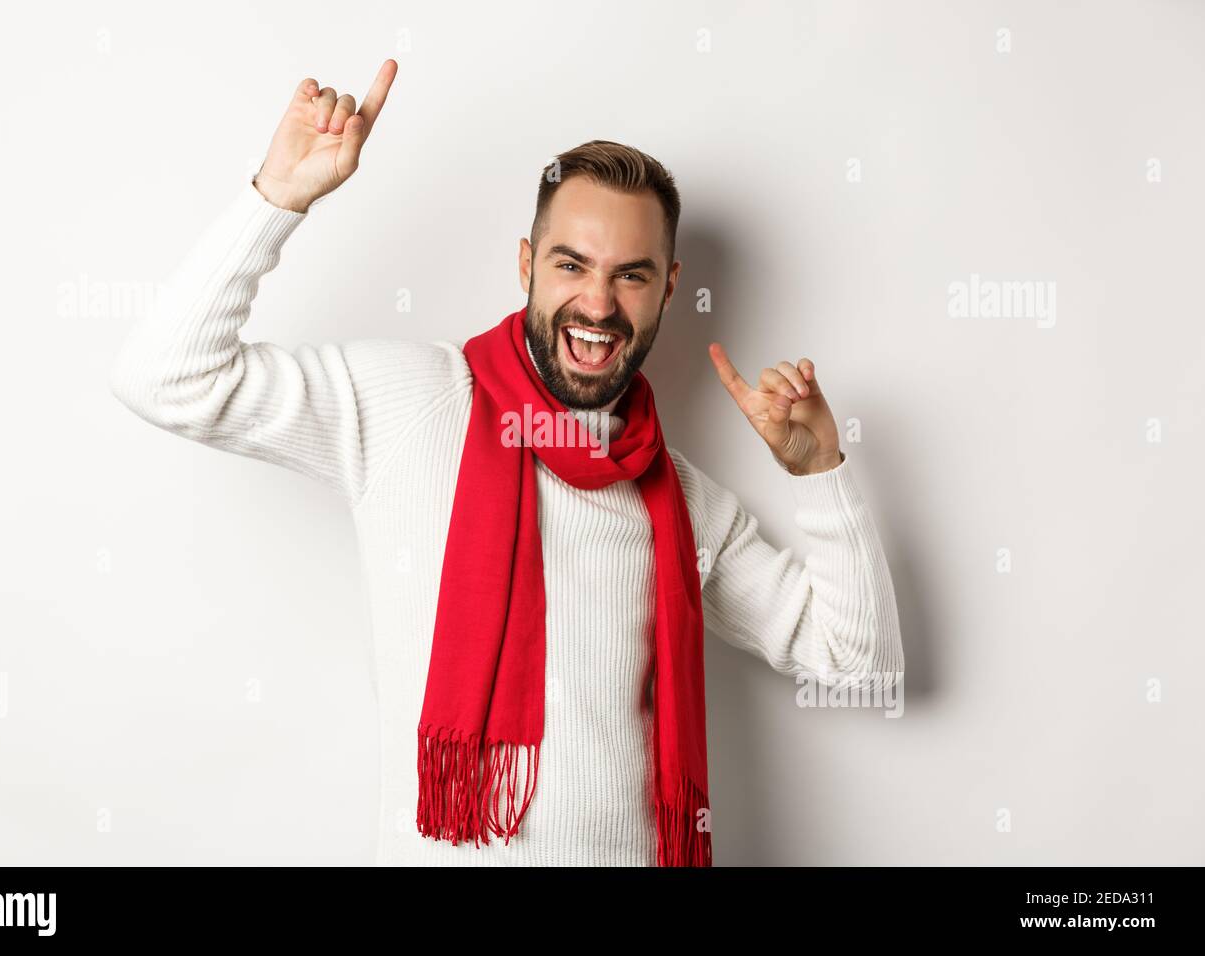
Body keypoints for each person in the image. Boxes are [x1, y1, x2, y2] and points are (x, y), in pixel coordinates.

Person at [109, 58, 904, 866]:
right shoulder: (410, 403)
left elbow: (859, 661)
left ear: (668, 290)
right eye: (571, 265)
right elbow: (166, 380)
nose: (597, 305)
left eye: (629, 276)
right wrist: (277, 197)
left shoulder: (683, 504)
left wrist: (821, 472)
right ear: (526, 265)